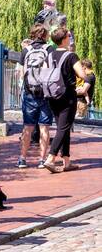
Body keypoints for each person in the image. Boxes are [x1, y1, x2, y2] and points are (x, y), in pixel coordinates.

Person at [45, 26, 87, 173]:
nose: (70, 37)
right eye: (69, 36)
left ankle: (67, 161)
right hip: (67, 96)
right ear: (64, 39)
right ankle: (50, 159)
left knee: (64, 127)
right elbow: (82, 74)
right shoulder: (71, 56)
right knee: (63, 128)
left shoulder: (49, 55)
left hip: (52, 95)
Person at [19, 23, 53, 169]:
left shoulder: (26, 50)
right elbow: (53, 71)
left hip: (29, 94)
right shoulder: (50, 49)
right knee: (44, 128)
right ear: (45, 35)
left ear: (32, 34)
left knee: (28, 127)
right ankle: (42, 159)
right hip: (45, 94)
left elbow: (21, 73)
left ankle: (22, 159)